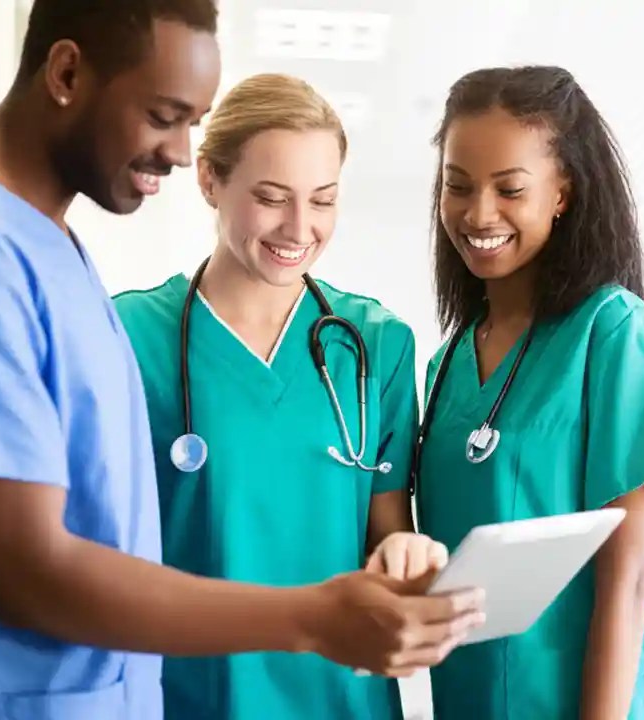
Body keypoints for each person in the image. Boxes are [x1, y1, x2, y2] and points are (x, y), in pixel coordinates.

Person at [0, 2, 484, 718]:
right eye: (163, 114)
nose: (177, 152)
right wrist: (312, 617)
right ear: (68, 72)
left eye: (192, 122)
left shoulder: (51, 257)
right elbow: (26, 570)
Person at [111, 72, 445, 720]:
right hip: (195, 699)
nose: (299, 227)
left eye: (323, 200)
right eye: (270, 197)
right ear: (209, 179)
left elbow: (385, 534)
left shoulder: (376, 345)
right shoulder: (128, 338)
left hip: (345, 698)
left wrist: (407, 556)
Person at [410, 66, 644, 719]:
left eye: (510, 189)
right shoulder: (445, 363)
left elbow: (631, 576)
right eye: (458, 186)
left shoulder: (611, 333)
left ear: (562, 191)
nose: (479, 214)